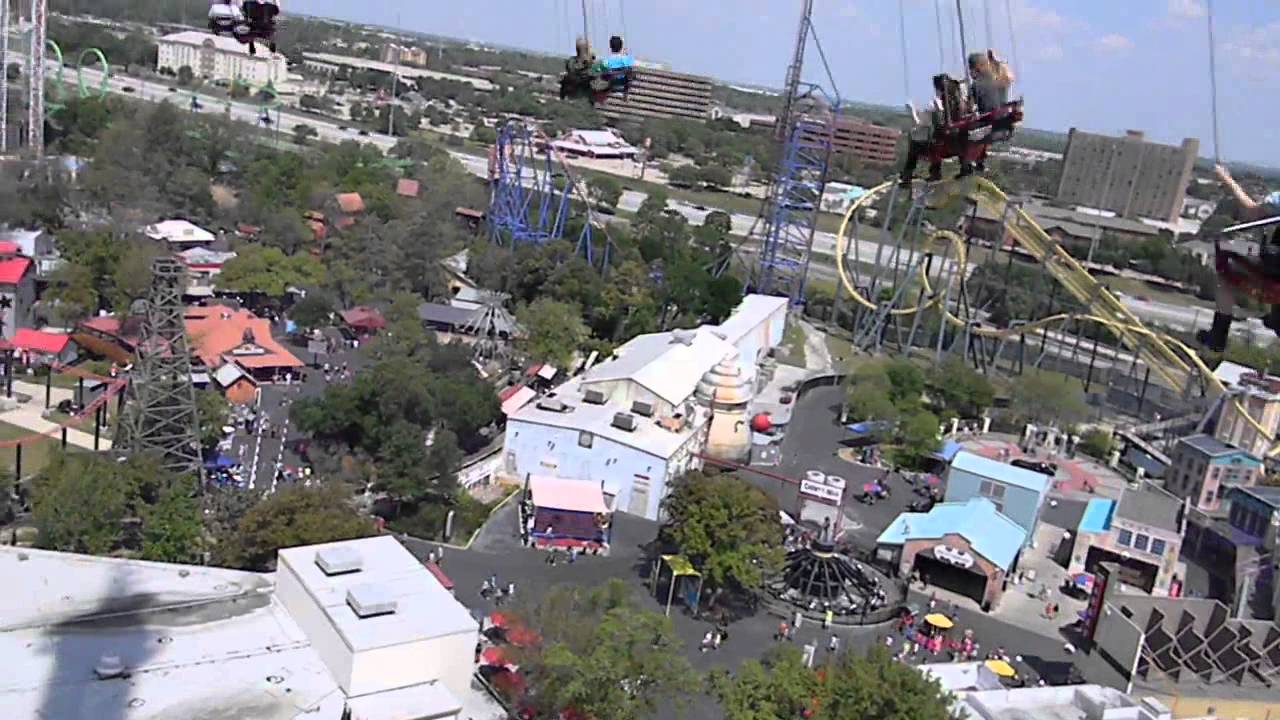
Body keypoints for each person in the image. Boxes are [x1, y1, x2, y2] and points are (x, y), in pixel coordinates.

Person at [1197, 163, 1280, 351]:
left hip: (1275, 267)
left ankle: (1218, 335)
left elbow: (1252, 211)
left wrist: (1227, 179)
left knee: (1224, 262)